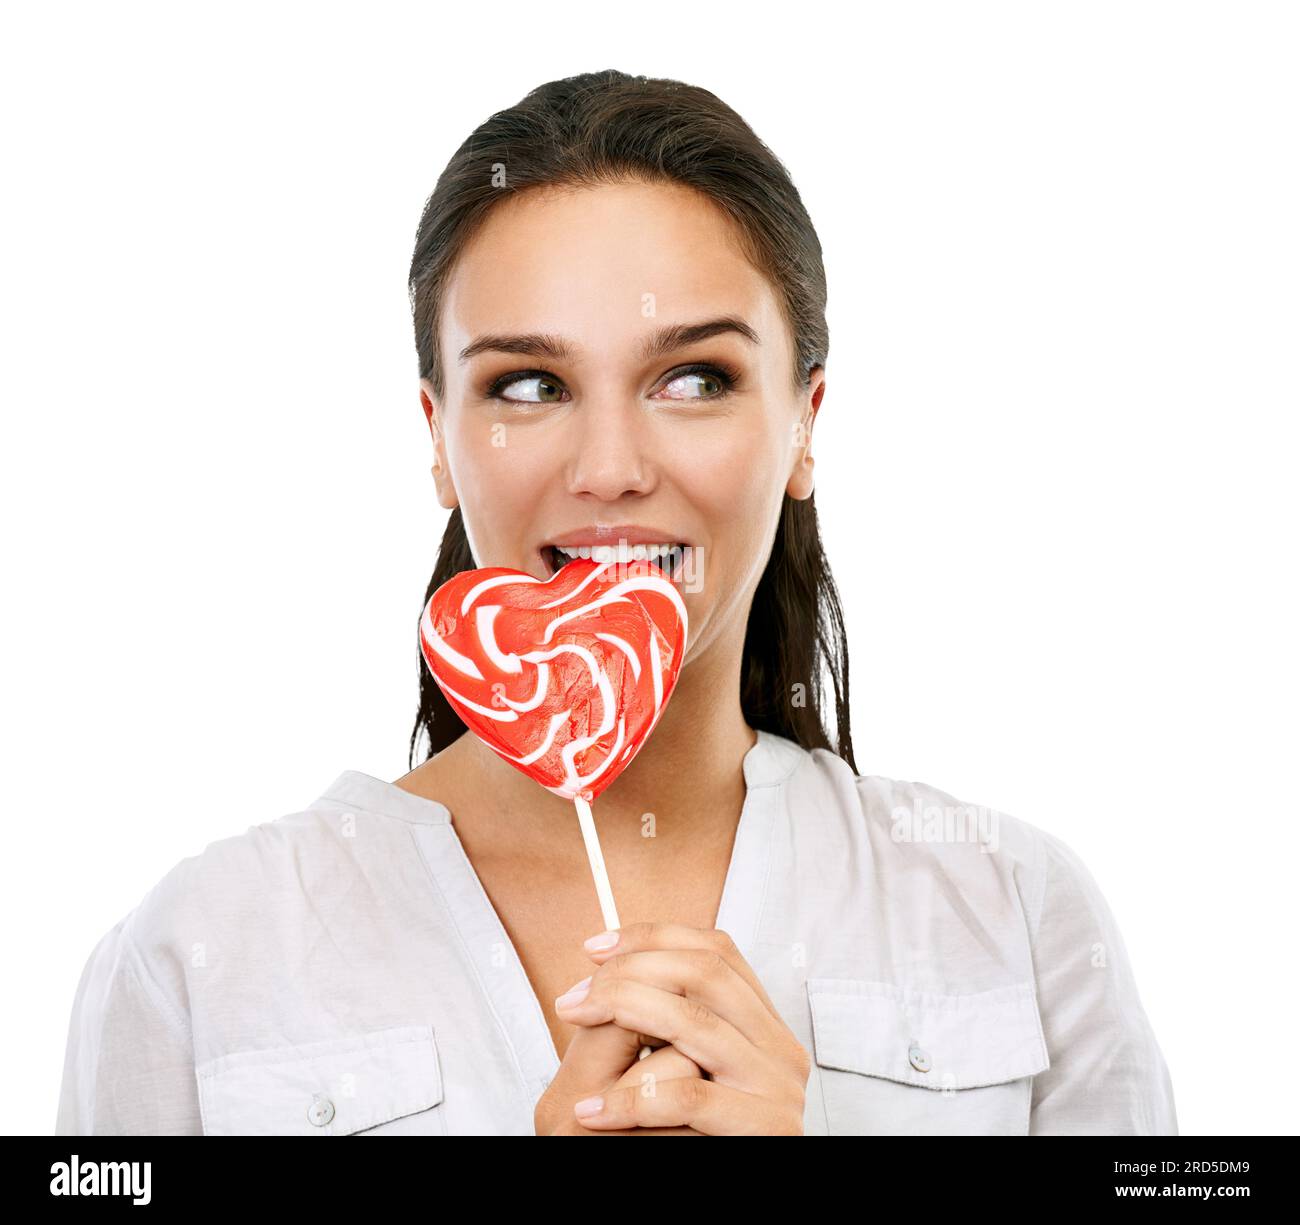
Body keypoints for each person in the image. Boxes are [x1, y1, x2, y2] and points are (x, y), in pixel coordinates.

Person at [56, 69, 1177, 1136]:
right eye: (528, 385)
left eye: (693, 378)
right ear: (439, 439)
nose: (609, 469)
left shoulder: (1016, 912)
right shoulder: (198, 955)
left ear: (804, 424)